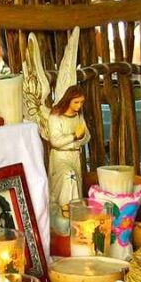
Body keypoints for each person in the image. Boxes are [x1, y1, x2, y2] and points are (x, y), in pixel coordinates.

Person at [47, 85, 91, 217]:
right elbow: (55, 141)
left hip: (75, 155)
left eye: (81, 102)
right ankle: (65, 208)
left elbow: (87, 136)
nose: (79, 106)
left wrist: (78, 139)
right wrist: (73, 136)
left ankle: (73, 210)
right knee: (69, 176)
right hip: (60, 157)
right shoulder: (55, 117)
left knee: (75, 181)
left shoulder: (78, 116)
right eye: (76, 102)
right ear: (68, 100)